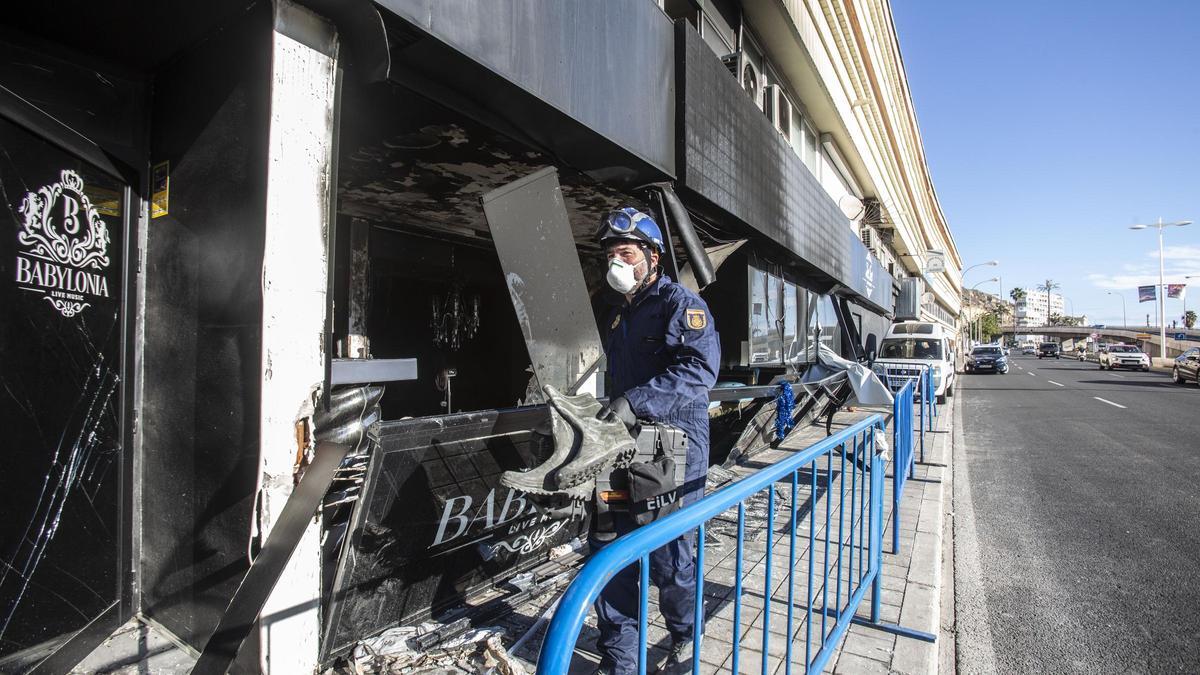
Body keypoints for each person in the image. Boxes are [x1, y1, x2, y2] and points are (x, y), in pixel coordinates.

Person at [591, 207, 721, 675]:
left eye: (626, 253)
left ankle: (685, 635)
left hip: (670, 446)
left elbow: (699, 371)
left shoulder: (680, 306)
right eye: (610, 255)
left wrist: (635, 401)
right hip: (622, 445)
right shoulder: (617, 315)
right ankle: (620, 662)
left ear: (652, 257)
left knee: (669, 557)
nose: (616, 264)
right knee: (609, 549)